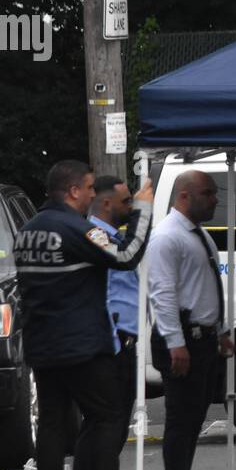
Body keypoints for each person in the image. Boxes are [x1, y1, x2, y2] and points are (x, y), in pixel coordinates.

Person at [15, 159, 155, 470]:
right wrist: (143, 209)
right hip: (81, 345)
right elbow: (126, 256)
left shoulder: (27, 231)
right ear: (74, 190)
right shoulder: (76, 229)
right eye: (90, 188)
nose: (94, 194)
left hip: (42, 346)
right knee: (106, 417)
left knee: (52, 427)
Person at [147, 170, 235, 470]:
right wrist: (174, 342)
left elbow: (206, 288)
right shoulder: (167, 238)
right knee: (181, 422)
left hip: (203, 338)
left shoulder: (198, 236)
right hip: (183, 340)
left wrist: (223, 328)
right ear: (185, 195)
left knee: (192, 419)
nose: (215, 199)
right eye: (208, 193)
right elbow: (163, 293)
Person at [89, 176, 140, 427]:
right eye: (126, 201)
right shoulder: (95, 236)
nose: (131, 206)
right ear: (107, 204)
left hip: (125, 339)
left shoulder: (112, 237)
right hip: (114, 341)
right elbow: (126, 258)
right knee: (109, 424)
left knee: (117, 423)